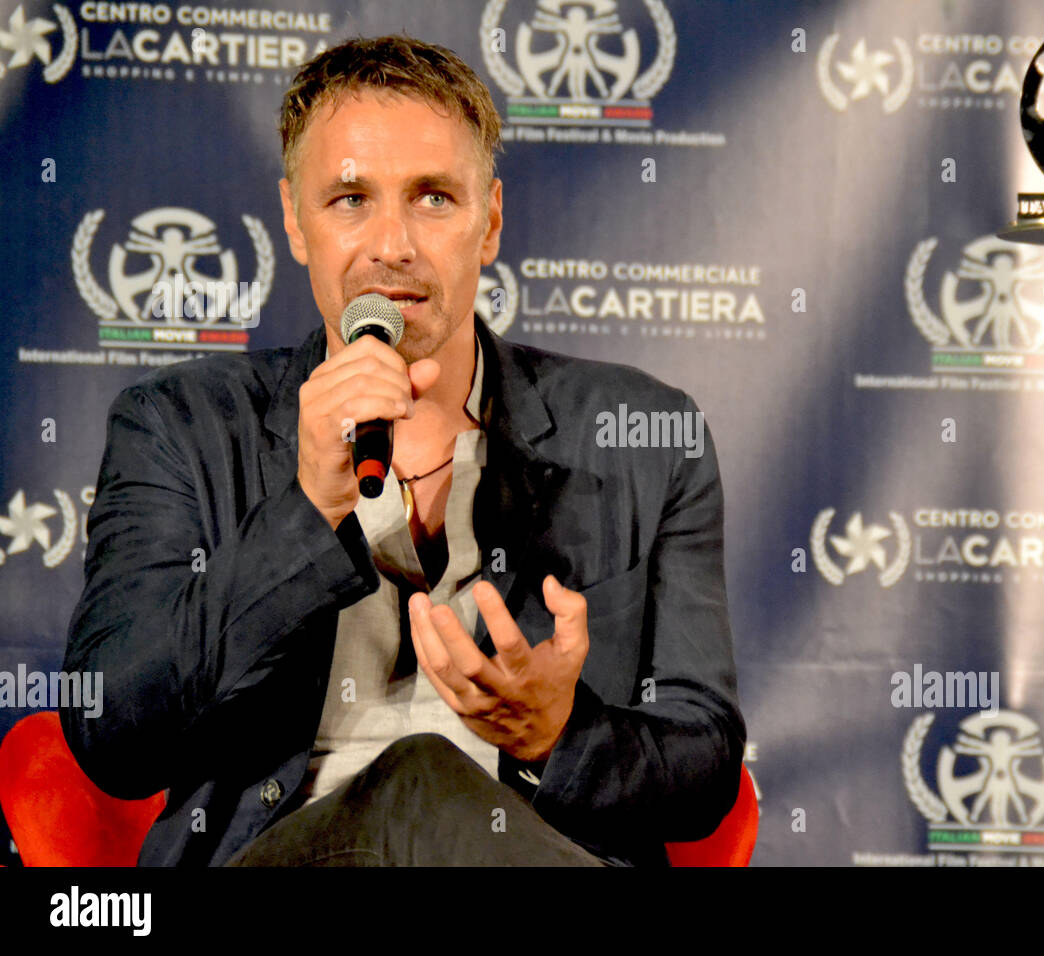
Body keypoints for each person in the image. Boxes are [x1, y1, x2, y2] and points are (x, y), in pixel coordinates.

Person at [60, 35, 745, 867]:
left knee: (434, 792)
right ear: (295, 222)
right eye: (350, 199)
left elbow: (705, 768)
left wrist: (558, 734)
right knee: (417, 782)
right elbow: (113, 734)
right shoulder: (179, 425)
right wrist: (305, 515)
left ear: (488, 222)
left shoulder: (646, 435)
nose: (393, 245)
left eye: (432, 198)